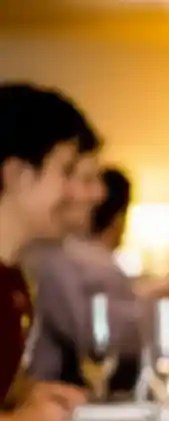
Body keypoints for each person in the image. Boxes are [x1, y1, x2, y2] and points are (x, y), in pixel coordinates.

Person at [0, 83, 95, 421]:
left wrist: (24, 393)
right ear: (16, 174)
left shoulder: (14, 277)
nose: (82, 194)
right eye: (65, 173)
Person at [22, 159, 142, 390]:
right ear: (18, 174)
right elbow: (89, 330)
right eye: (69, 173)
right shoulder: (48, 256)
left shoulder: (56, 253)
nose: (98, 194)